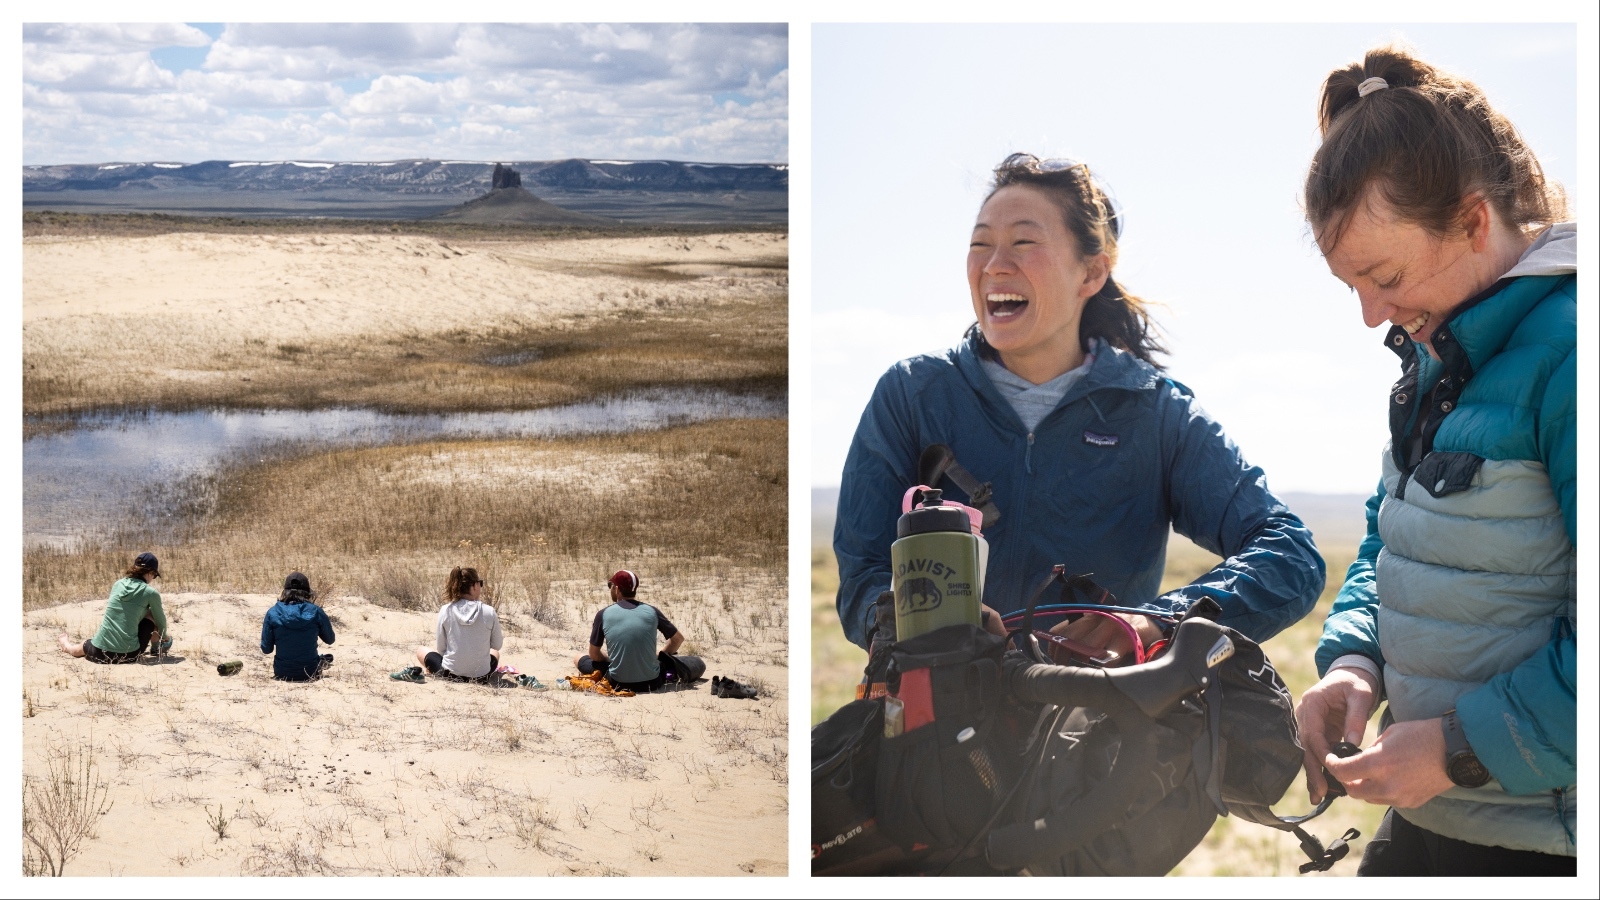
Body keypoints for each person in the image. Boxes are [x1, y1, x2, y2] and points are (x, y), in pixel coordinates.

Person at [834, 153, 1325, 660]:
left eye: (1023, 243)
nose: (994, 264)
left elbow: (1290, 553)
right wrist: (912, 624)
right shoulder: (912, 394)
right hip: (932, 702)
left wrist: (1159, 621)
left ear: (1091, 273)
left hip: (1099, 708)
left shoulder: (1156, 412)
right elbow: (862, 573)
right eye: (980, 244)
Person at [1294, 46, 1575, 876]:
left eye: (1384, 276)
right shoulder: (1439, 360)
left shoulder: (1572, 359)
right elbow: (1395, 541)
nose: (1370, 315)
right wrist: (1356, 662)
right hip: (1435, 818)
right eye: (1351, 286)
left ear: (1475, 221)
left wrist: (1458, 748)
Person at [573, 570, 684, 692]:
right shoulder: (652, 611)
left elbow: (594, 655)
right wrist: (661, 655)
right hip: (653, 683)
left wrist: (608, 658)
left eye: (611, 586)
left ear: (617, 589)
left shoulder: (603, 614)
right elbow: (678, 639)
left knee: (578, 657)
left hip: (617, 683)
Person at [391, 567, 504, 684]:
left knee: (421, 650)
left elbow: (441, 648)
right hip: (481, 677)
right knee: (495, 653)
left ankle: (434, 670)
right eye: (480, 583)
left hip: (451, 675)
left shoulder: (446, 610)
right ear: (474, 586)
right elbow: (497, 645)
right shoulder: (489, 611)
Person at [57, 552, 170, 664]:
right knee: (152, 614)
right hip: (129, 655)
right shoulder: (150, 593)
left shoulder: (118, 584)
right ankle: (156, 648)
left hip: (99, 652)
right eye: (155, 576)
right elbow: (161, 622)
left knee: (82, 645)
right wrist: (165, 637)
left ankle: (67, 646)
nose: (153, 578)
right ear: (150, 573)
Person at [260, 571, 335, 682]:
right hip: (310, 672)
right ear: (308, 592)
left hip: (282, 673)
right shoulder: (316, 611)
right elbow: (330, 640)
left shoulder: (273, 612)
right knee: (327, 658)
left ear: (285, 591)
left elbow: (266, 649)